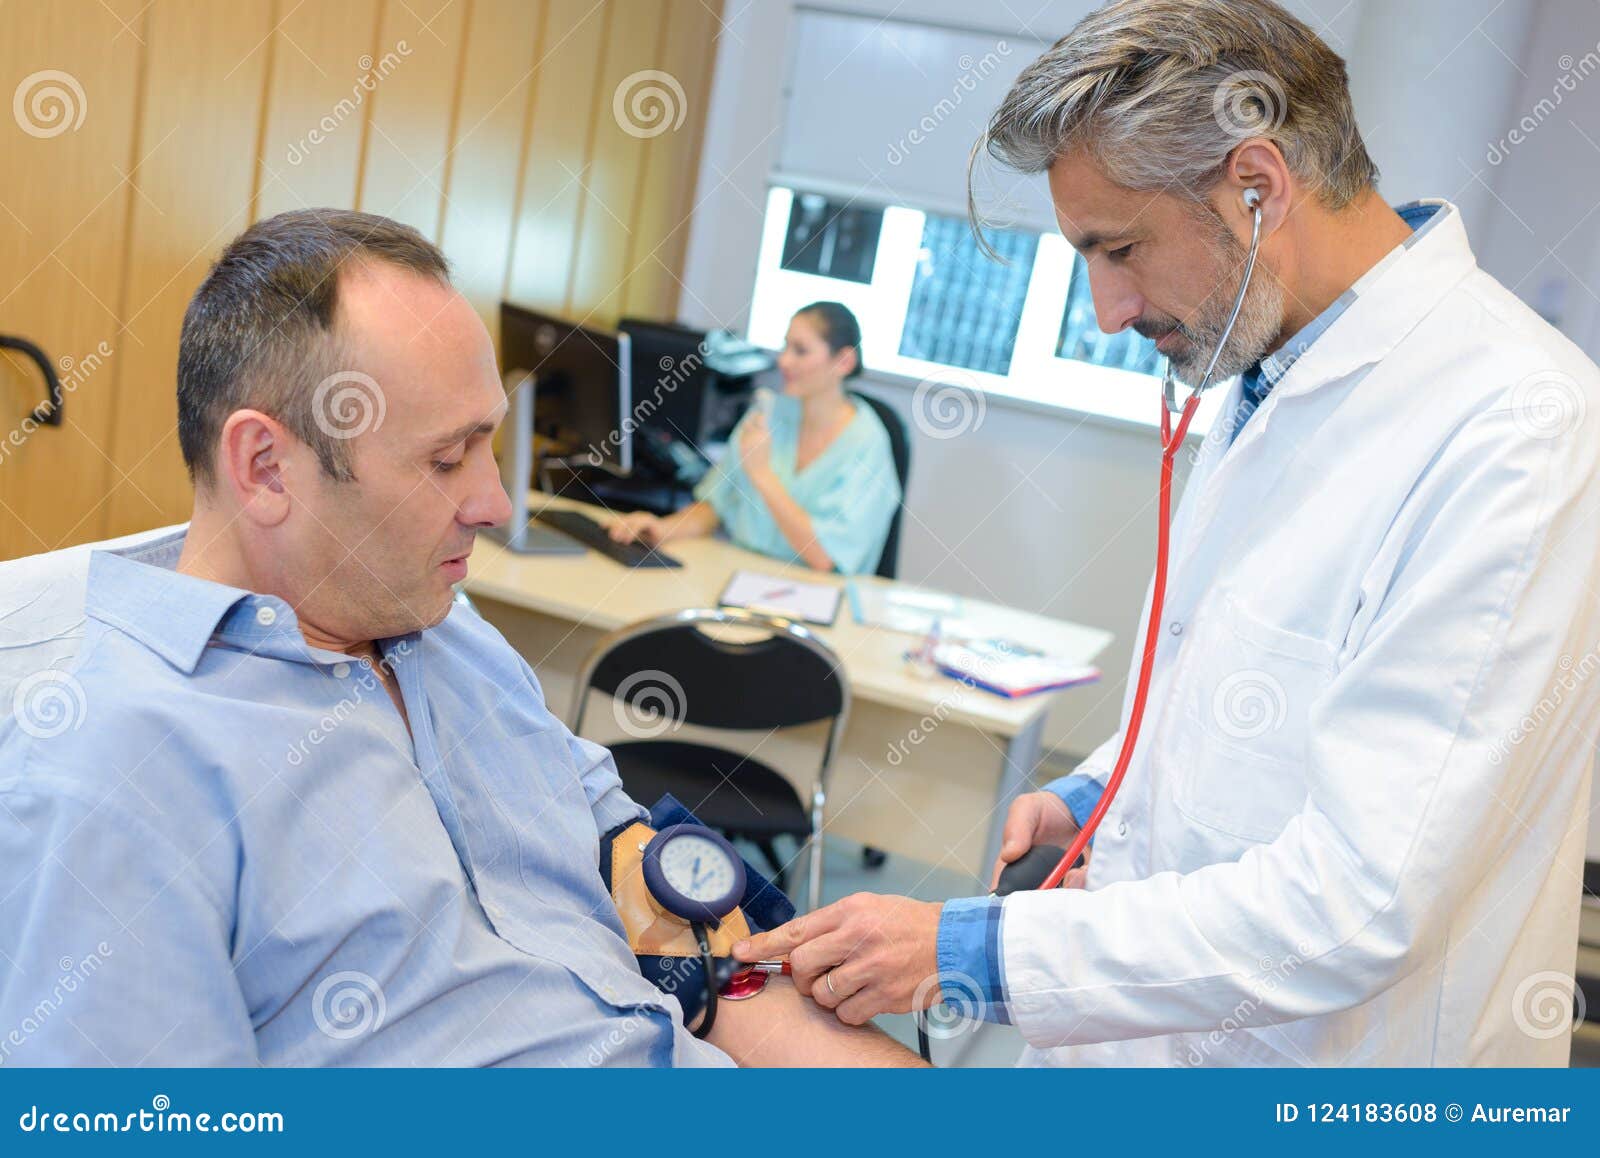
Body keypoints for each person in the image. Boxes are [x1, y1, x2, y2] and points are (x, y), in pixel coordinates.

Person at [735, 0, 1600, 1066]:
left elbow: (1366, 899)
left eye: (1119, 249)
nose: (1104, 310)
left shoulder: (1517, 428)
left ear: (1257, 184)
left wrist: (972, 952)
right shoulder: (1264, 364)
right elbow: (1235, 673)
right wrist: (1104, 789)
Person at [0, 209, 920, 1068]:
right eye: (448, 459)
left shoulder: (451, 640)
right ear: (266, 467)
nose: (494, 504)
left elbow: (652, 894)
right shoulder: (122, 777)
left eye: (489, 447)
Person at [608, 302, 901, 575]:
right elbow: (715, 505)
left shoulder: (867, 445)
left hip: (815, 596)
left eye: (801, 351)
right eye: (785, 346)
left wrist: (762, 474)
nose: (784, 361)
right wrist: (662, 529)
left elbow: (823, 557)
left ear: (844, 361)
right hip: (741, 577)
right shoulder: (767, 415)